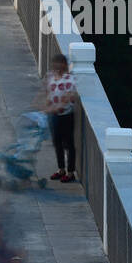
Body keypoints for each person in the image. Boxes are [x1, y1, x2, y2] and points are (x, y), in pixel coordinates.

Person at [45, 53, 77, 183]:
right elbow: (48, 93)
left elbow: (68, 97)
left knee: (68, 143)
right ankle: (61, 169)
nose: (57, 68)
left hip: (66, 116)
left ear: (65, 65)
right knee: (56, 142)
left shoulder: (70, 79)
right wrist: (47, 105)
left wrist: (57, 107)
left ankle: (70, 172)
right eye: (55, 65)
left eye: (60, 65)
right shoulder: (51, 77)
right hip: (54, 116)